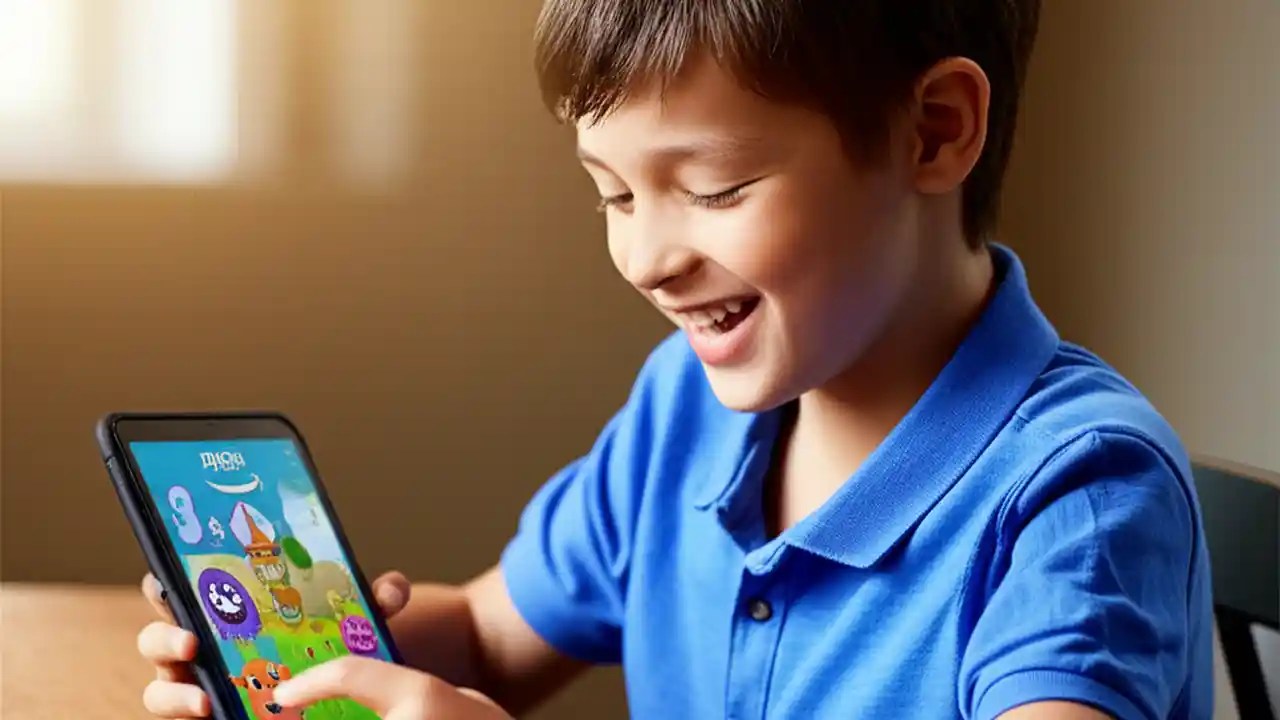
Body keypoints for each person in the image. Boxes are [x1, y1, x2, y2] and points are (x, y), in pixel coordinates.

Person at [135, 1, 1215, 718]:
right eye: (610, 192)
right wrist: (287, 658)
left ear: (932, 131)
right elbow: (488, 634)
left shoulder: (1080, 495)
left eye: (711, 189)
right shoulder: (685, 413)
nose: (647, 257)